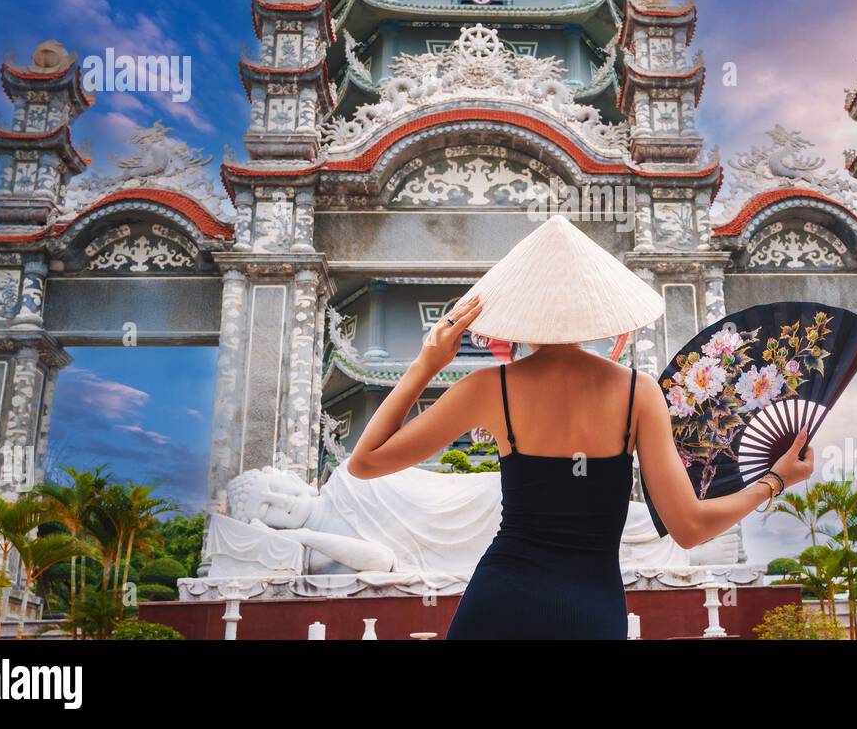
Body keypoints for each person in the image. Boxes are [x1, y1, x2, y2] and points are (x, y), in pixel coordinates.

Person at [345, 215, 815, 639]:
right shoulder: (638, 392)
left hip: (500, 601)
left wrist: (427, 363)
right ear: (597, 310)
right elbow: (689, 528)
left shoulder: (490, 388)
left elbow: (365, 463)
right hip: (591, 609)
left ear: (519, 312)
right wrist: (776, 479)